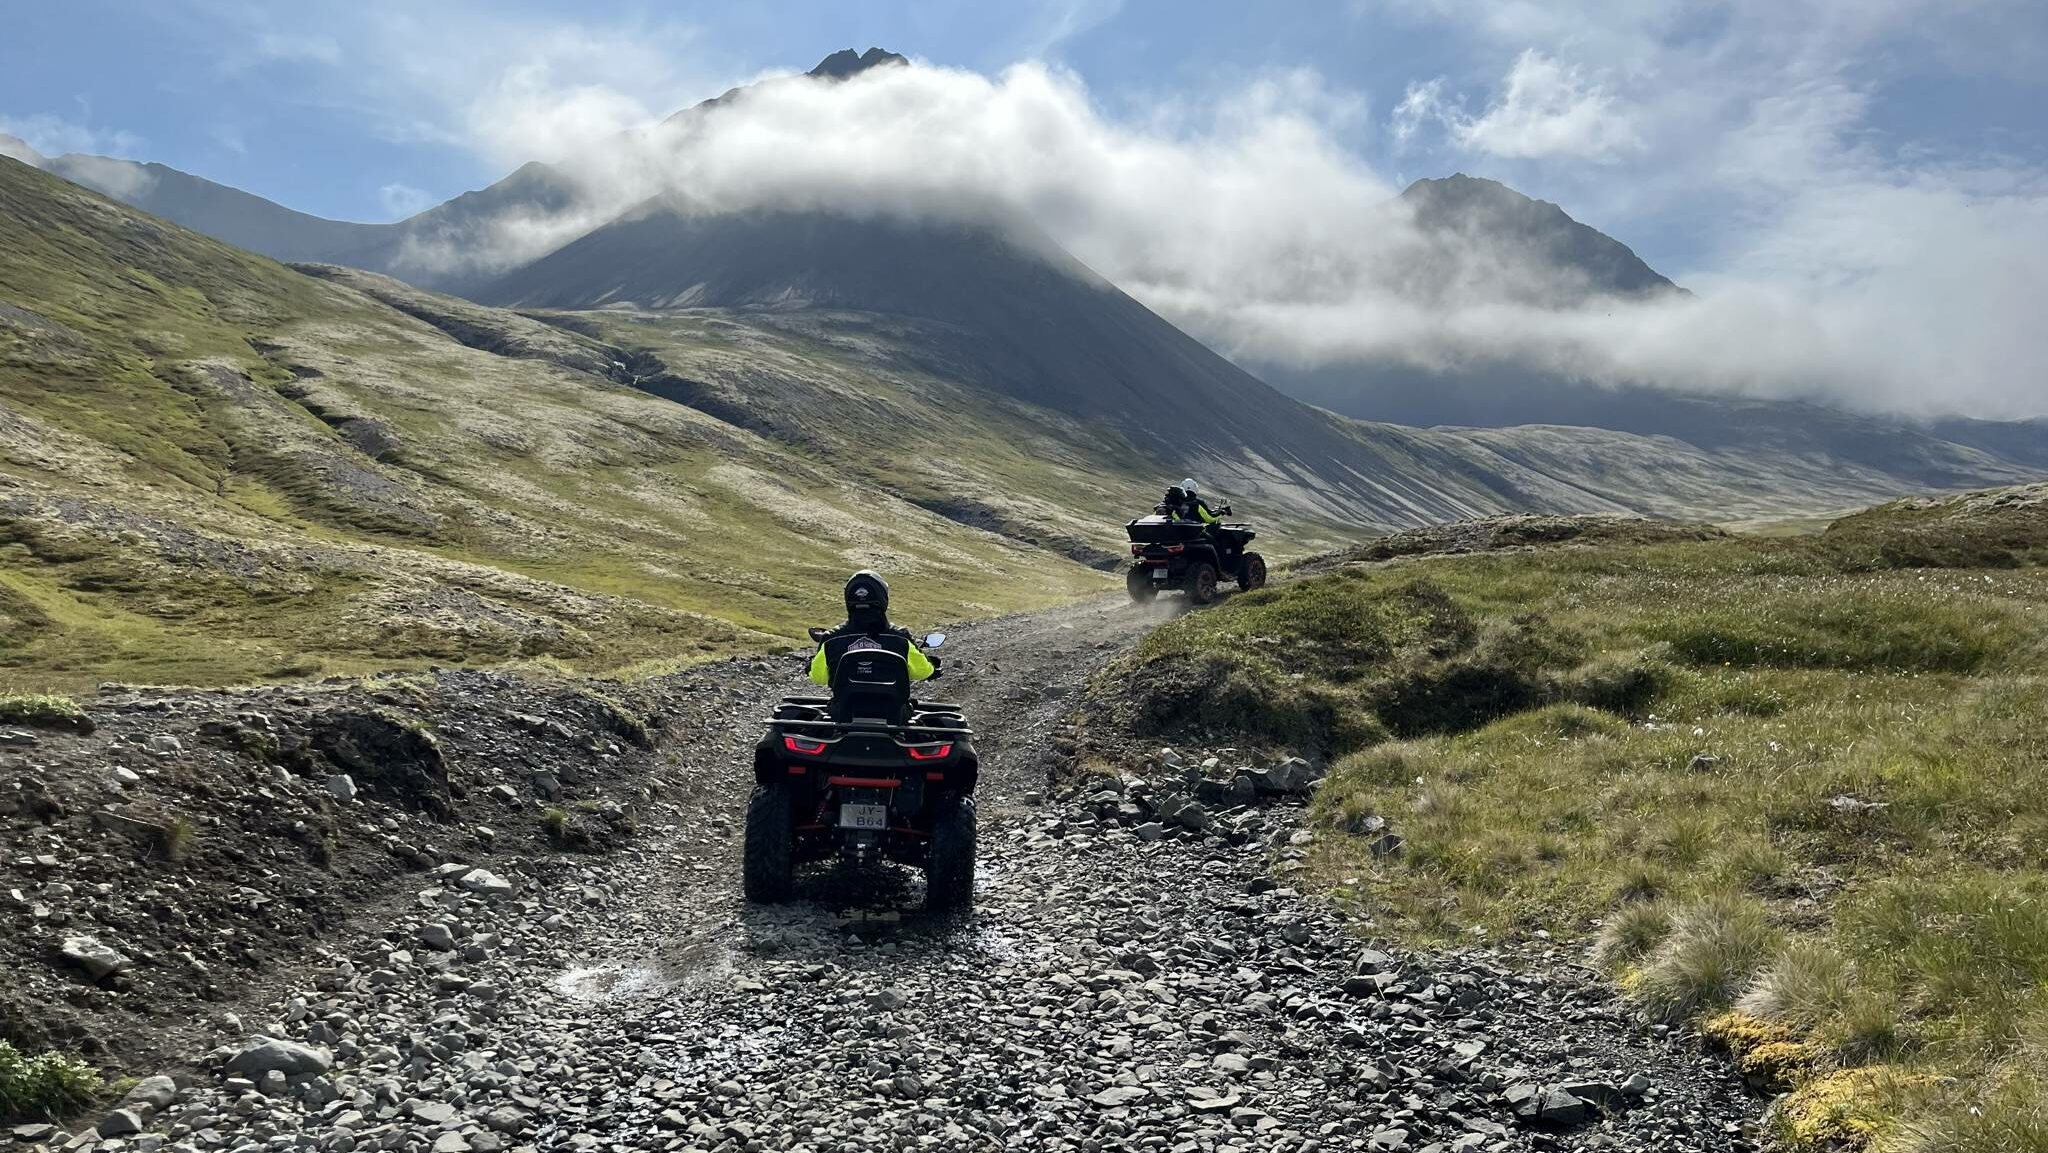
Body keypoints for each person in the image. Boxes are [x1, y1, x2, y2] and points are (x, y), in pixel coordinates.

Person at [808, 570, 935, 687]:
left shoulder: (831, 639)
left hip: (844, 710)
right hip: (893, 710)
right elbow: (922, 672)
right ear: (883, 597)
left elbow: (818, 678)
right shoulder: (900, 638)